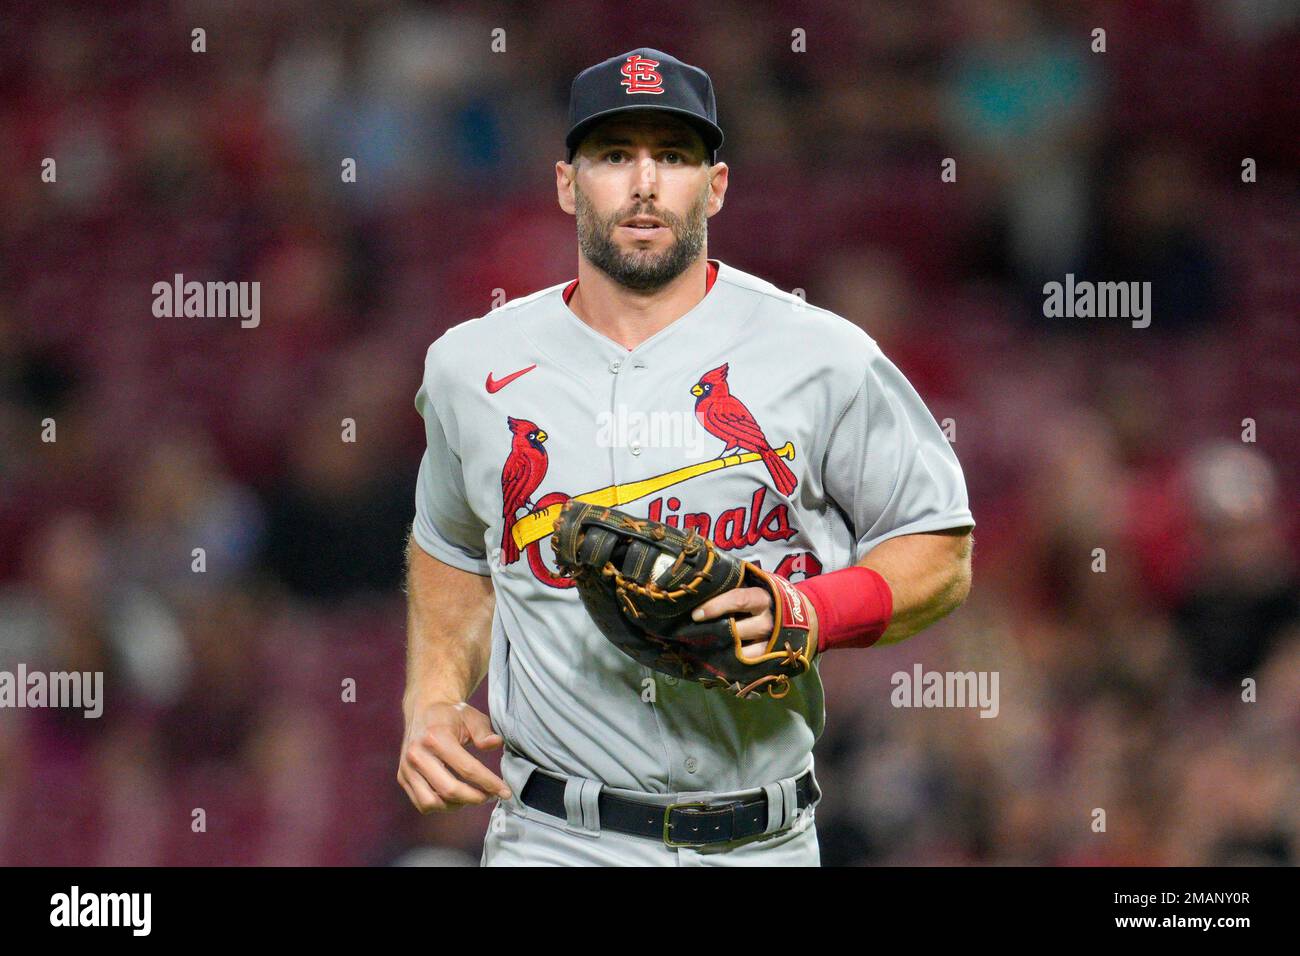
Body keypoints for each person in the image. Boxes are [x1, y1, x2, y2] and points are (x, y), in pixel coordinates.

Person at [397, 48, 975, 866]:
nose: (643, 182)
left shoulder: (822, 355)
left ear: (717, 185)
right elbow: (450, 544)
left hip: (763, 839)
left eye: (672, 156)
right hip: (557, 839)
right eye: (613, 155)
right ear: (567, 183)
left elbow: (939, 546)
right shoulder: (471, 367)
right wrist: (431, 696)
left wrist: (814, 613)